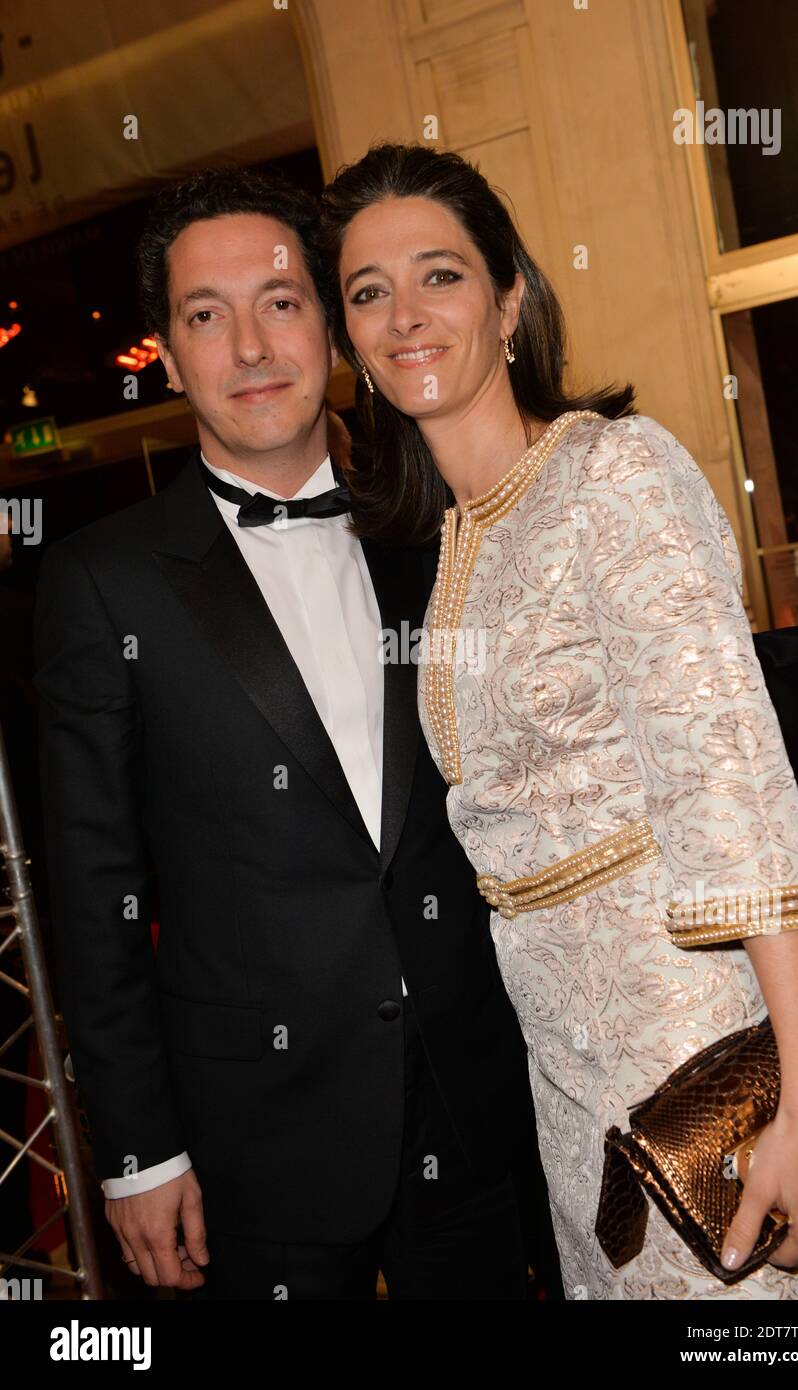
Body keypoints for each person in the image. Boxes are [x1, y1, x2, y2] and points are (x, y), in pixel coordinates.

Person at [319, 141, 798, 1299]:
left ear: (512, 297)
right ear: (351, 341)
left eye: (441, 275)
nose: (404, 314)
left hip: (701, 1041)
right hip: (565, 1079)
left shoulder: (611, 474)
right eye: (368, 291)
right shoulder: (453, 538)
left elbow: (729, 780)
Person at [32, 166, 563, 1301]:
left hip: (476, 1098)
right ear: (168, 359)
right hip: (250, 1141)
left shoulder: (436, 520)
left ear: (331, 325)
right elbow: (94, 892)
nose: (250, 346)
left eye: (279, 301)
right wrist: (138, 1147)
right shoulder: (103, 584)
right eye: (204, 317)